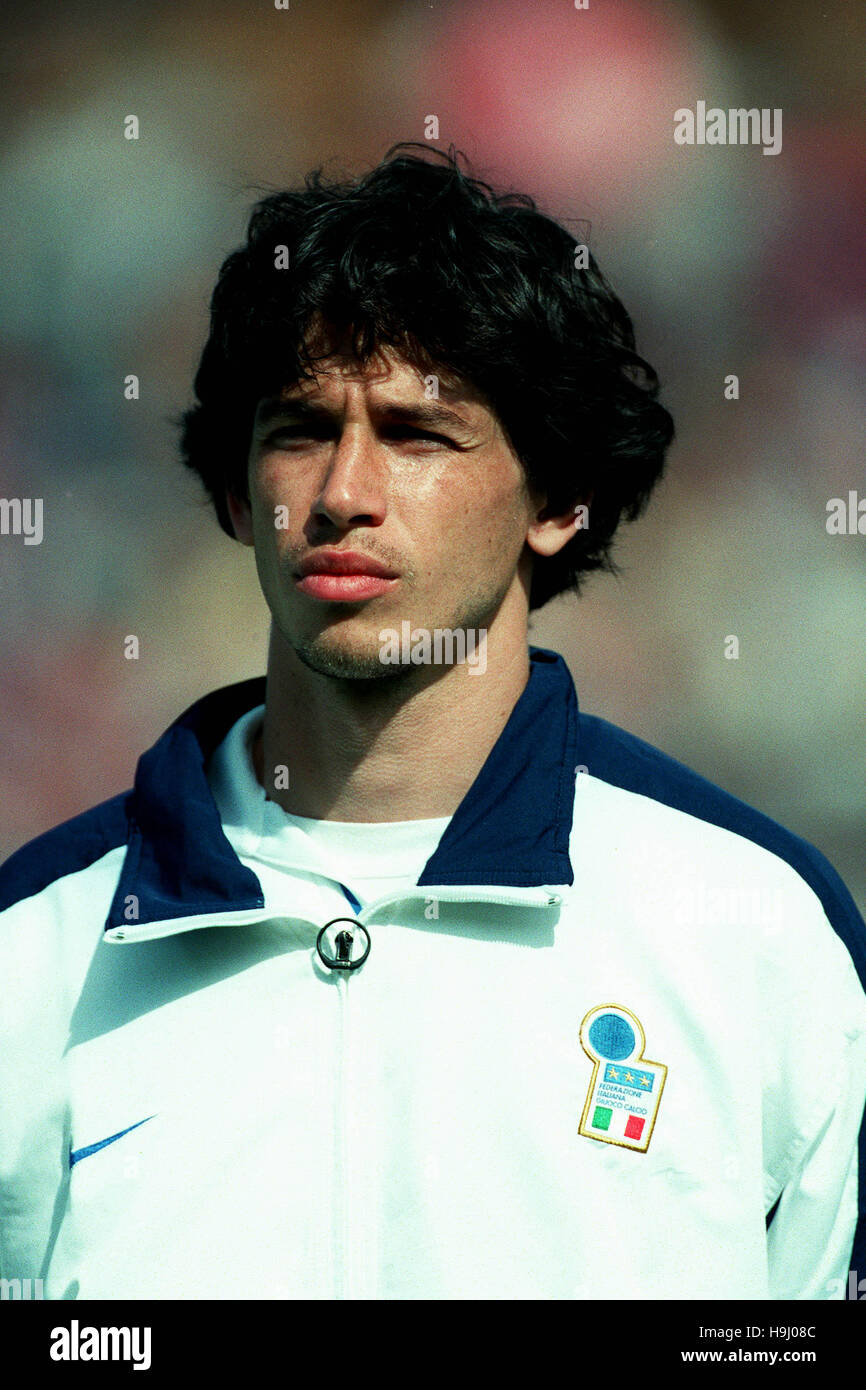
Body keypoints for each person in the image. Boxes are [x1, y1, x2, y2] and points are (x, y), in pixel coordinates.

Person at [1, 143, 864, 1301]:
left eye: (418, 434)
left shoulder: (756, 932)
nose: (343, 492)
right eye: (300, 428)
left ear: (558, 498)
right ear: (231, 487)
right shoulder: (36, 949)